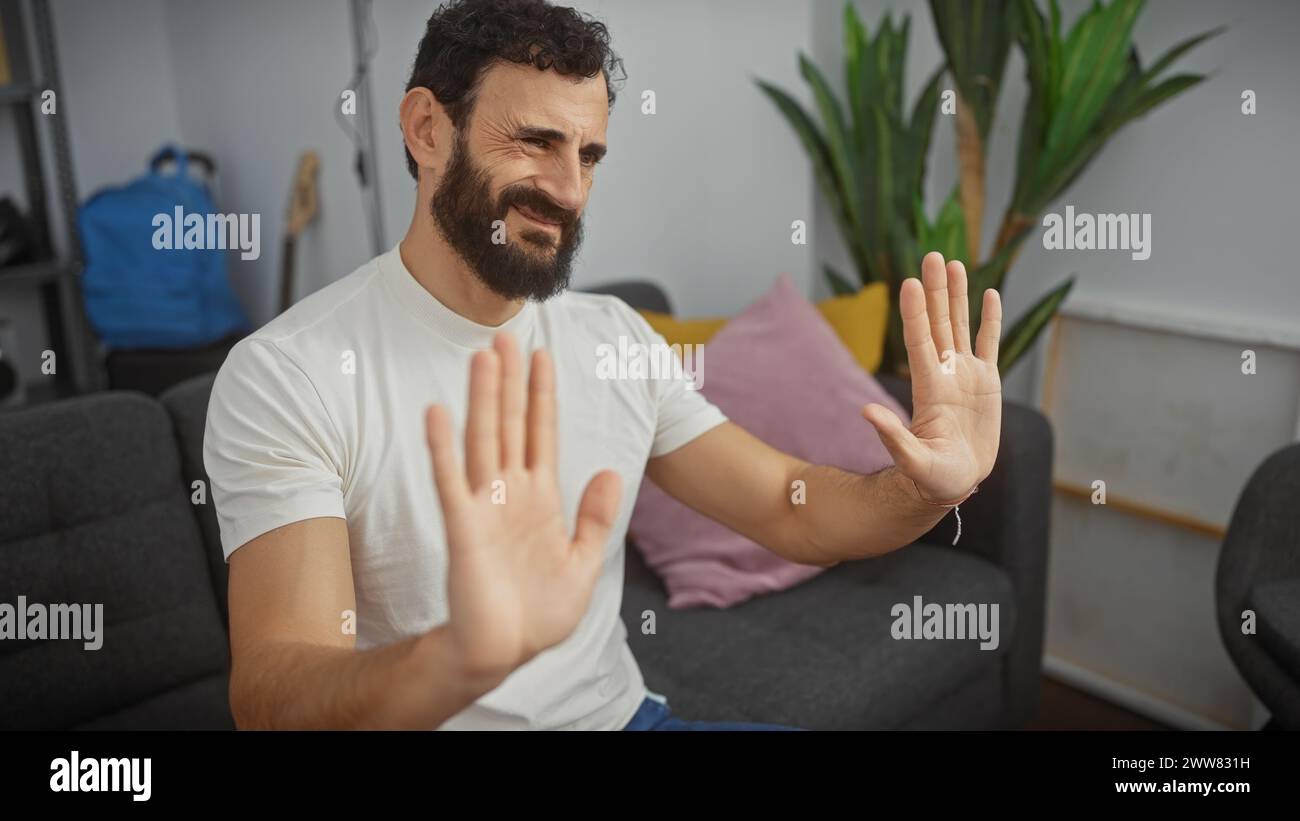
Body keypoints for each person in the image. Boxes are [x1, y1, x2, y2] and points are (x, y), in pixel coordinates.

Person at [203, 0, 1004, 730]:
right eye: (535, 142)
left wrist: (927, 488)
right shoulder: (287, 375)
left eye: (589, 155)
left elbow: (790, 509)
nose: (570, 189)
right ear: (426, 129)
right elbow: (272, 698)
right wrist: (458, 656)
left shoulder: (612, 335)